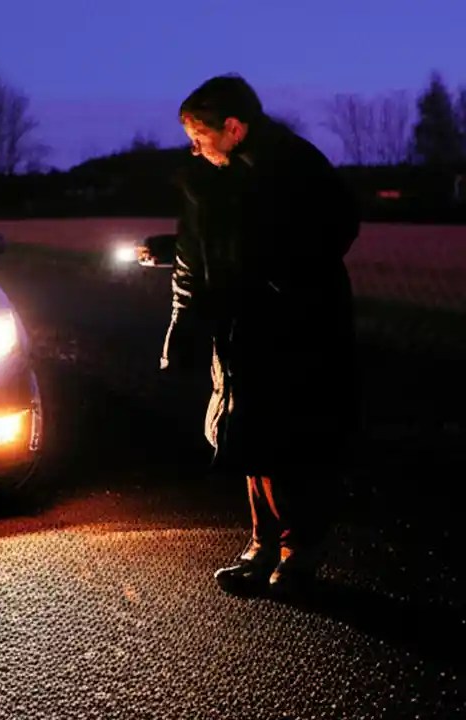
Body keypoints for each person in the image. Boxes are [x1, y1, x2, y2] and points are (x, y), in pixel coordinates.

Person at [158, 74, 361, 597]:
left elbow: (335, 228)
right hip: (239, 328)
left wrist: (278, 278)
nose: (194, 146)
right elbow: (198, 249)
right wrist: (185, 315)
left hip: (295, 328)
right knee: (246, 435)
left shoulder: (293, 165)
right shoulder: (210, 178)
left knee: (289, 440)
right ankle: (262, 543)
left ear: (233, 127)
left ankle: (297, 551)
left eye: (199, 134)